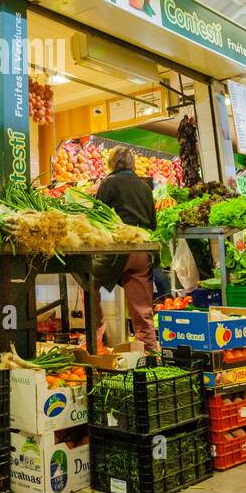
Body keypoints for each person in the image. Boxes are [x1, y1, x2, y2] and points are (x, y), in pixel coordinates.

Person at [92, 147, 158, 350]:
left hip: (119, 249)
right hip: (143, 250)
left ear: (112, 163)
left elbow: (97, 216)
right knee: (142, 307)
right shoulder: (144, 186)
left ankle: (94, 339)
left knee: (87, 281)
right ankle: (149, 351)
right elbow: (153, 224)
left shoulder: (109, 182)